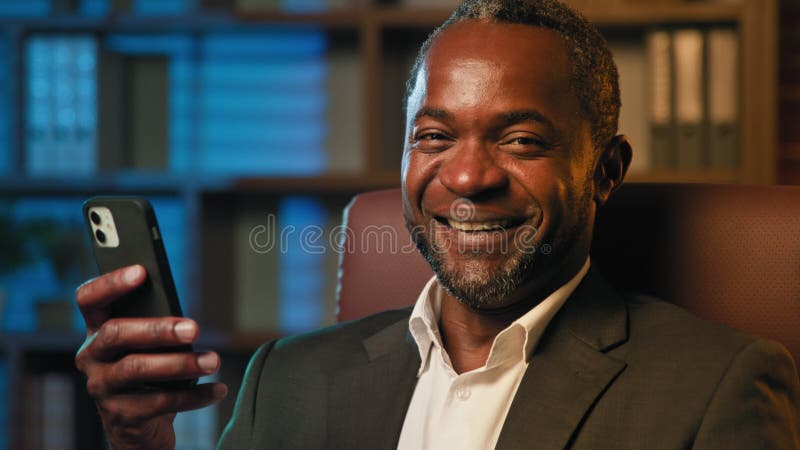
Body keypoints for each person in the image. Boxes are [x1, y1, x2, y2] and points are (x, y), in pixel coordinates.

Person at [74, 0, 800, 448]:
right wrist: (141, 445)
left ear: (605, 171)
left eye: (520, 140)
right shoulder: (288, 381)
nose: (466, 177)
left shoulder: (717, 389)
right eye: (434, 137)